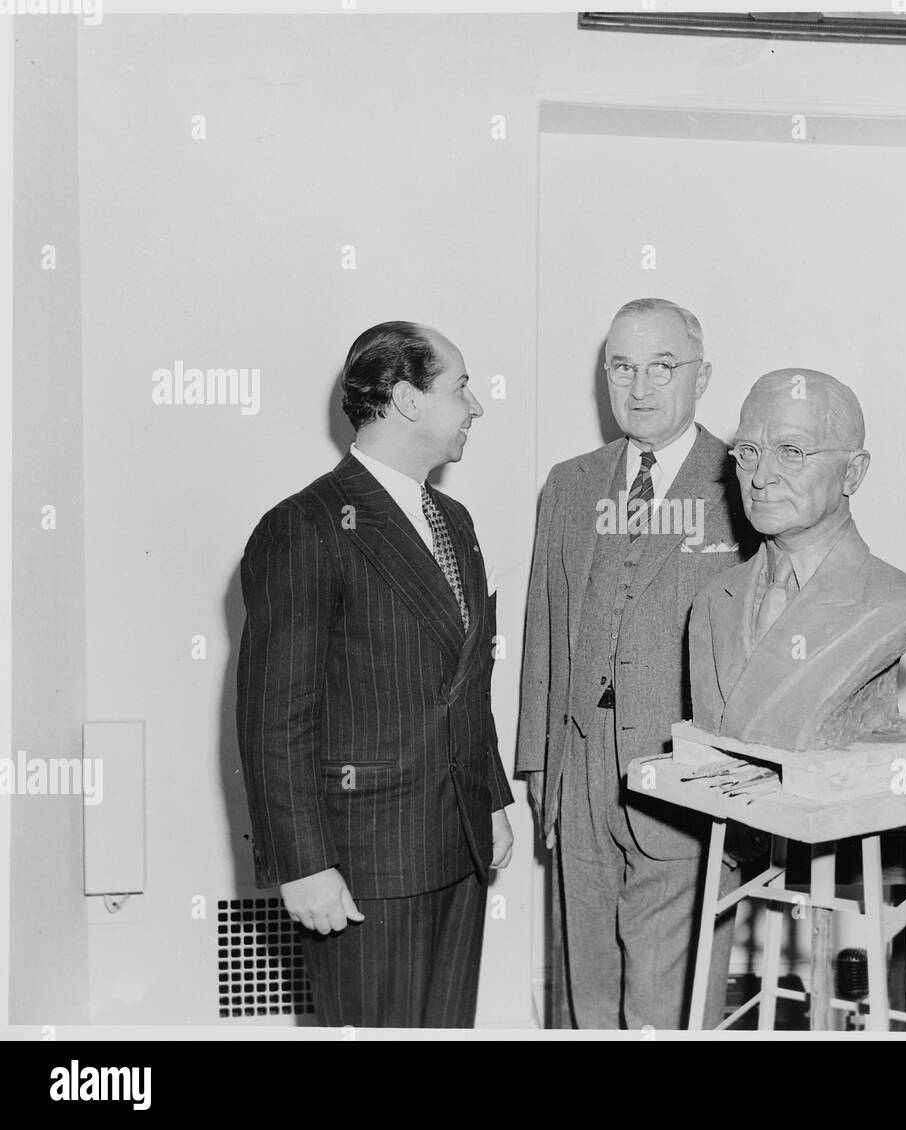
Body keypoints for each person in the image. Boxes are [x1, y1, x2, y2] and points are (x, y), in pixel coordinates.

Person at [236, 321, 514, 1028]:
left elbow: (465, 677)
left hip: (459, 845)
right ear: (407, 399)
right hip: (367, 867)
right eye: (460, 387)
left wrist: (491, 801)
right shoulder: (305, 525)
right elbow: (274, 716)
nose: (477, 406)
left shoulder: (454, 519)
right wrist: (302, 865)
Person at [517, 298, 754, 1029]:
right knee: (586, 990)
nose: (640, 386)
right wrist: (537, 767)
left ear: (702, 375)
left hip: (687, 777)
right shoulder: (569, 484)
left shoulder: (745, 483)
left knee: (667, 1000)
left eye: (662, 366)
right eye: (622, 367)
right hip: (581, 769)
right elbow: (543, 629)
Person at [690, 369, 906, 751]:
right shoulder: (713, 600)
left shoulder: (902, 605)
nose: (761, 477)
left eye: (791, 453)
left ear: (853, 473)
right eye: (749, 452)